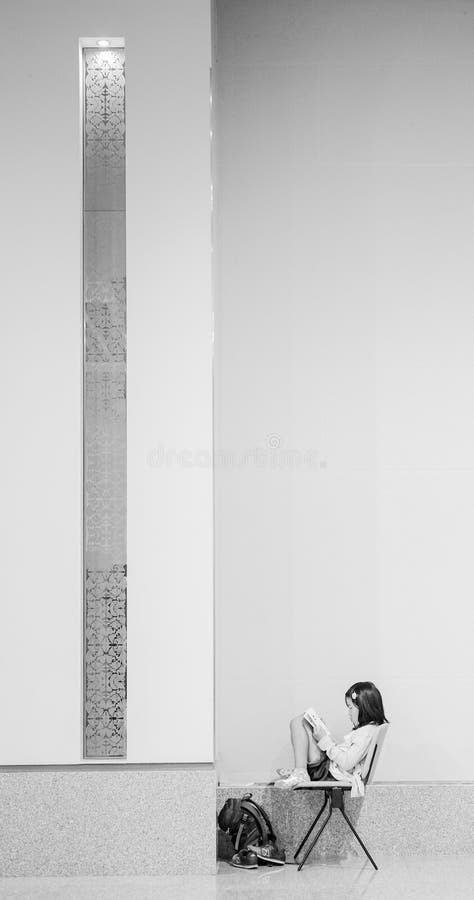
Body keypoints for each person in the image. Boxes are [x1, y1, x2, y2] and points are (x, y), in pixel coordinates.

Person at [274, 681, 388, 797]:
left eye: (350, 708)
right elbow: (347, 757)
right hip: (328, 769)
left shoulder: (366, 733)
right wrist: (326, 739)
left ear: (364, 707)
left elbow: (347, 763)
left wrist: (325, 741)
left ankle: (300, 771)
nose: (348, 713)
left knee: (299, 722)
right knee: (307, 721)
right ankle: (300, 770)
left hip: (327, 772)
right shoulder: (368, 730)